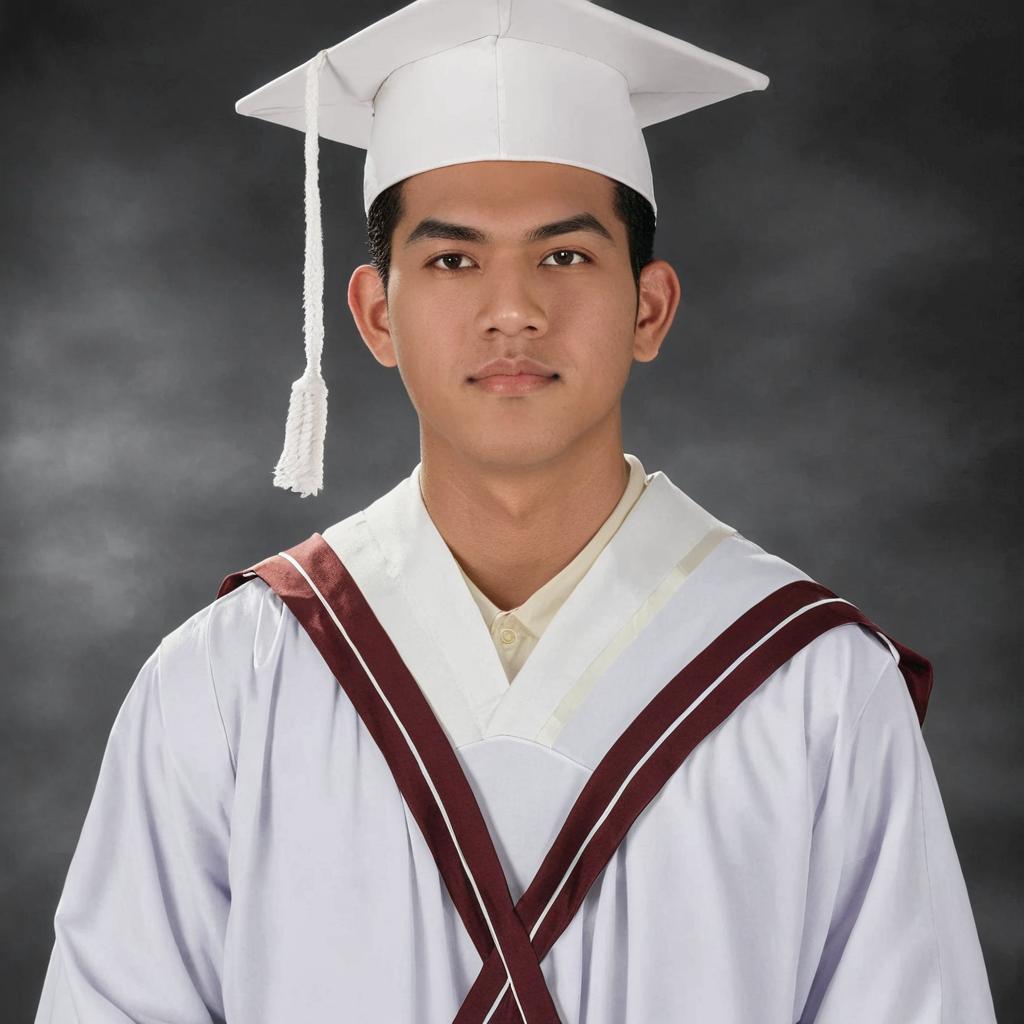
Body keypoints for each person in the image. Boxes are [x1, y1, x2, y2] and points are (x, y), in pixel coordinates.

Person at [34, 1, 997, 1021]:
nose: (512, 310)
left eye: (566, 257)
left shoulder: (817, 687)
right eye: (452, 260)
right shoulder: (229, 683)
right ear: (373, 314)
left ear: (649, 307)